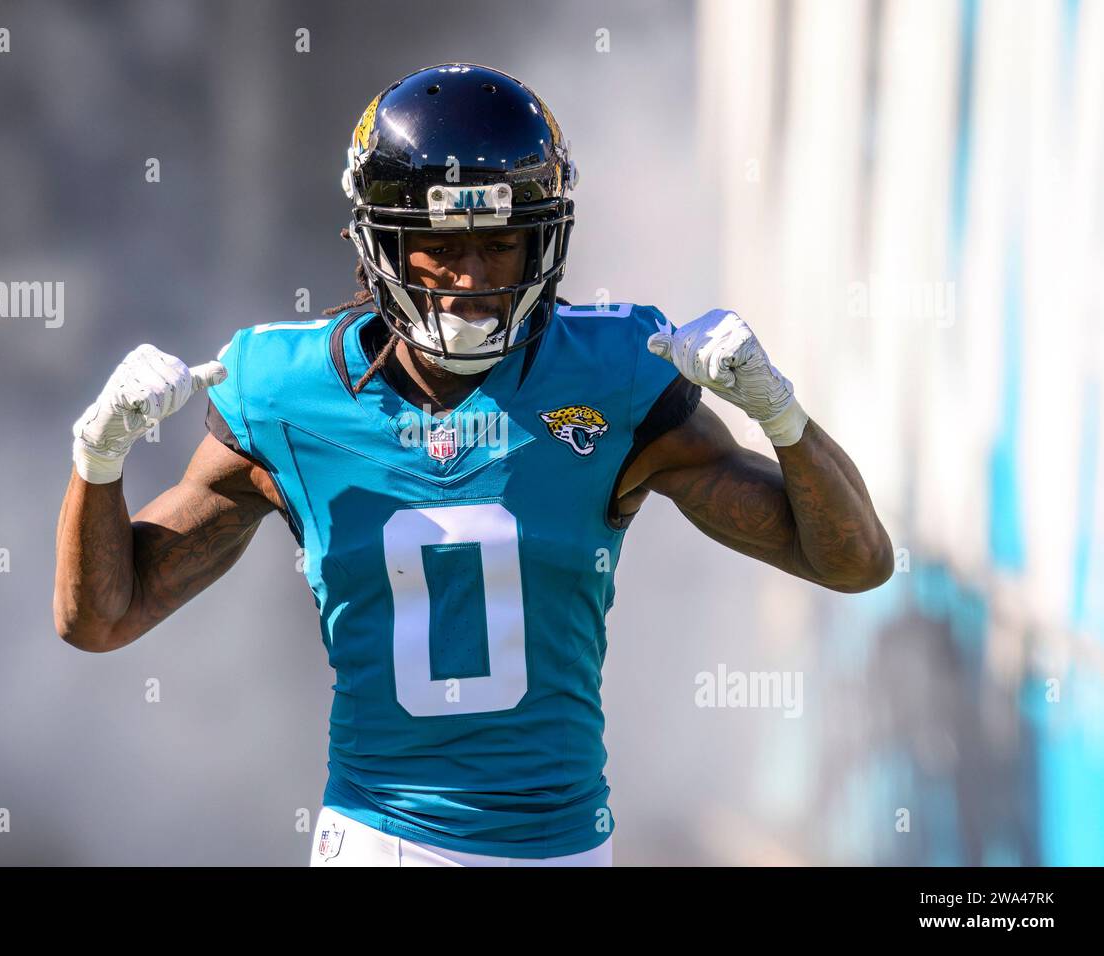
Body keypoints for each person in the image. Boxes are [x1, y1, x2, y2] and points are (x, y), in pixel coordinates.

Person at [53, 63, 894, 867]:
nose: (471, 276)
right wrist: (98, 460)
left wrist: (781, 415)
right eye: (440, 242)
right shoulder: (285, 393)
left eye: (500, 243)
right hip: (379, 837)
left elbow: (853, 560)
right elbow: (100, 617)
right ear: (379, 240)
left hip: (561, 843)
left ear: (544, 243)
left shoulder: (616, 378)